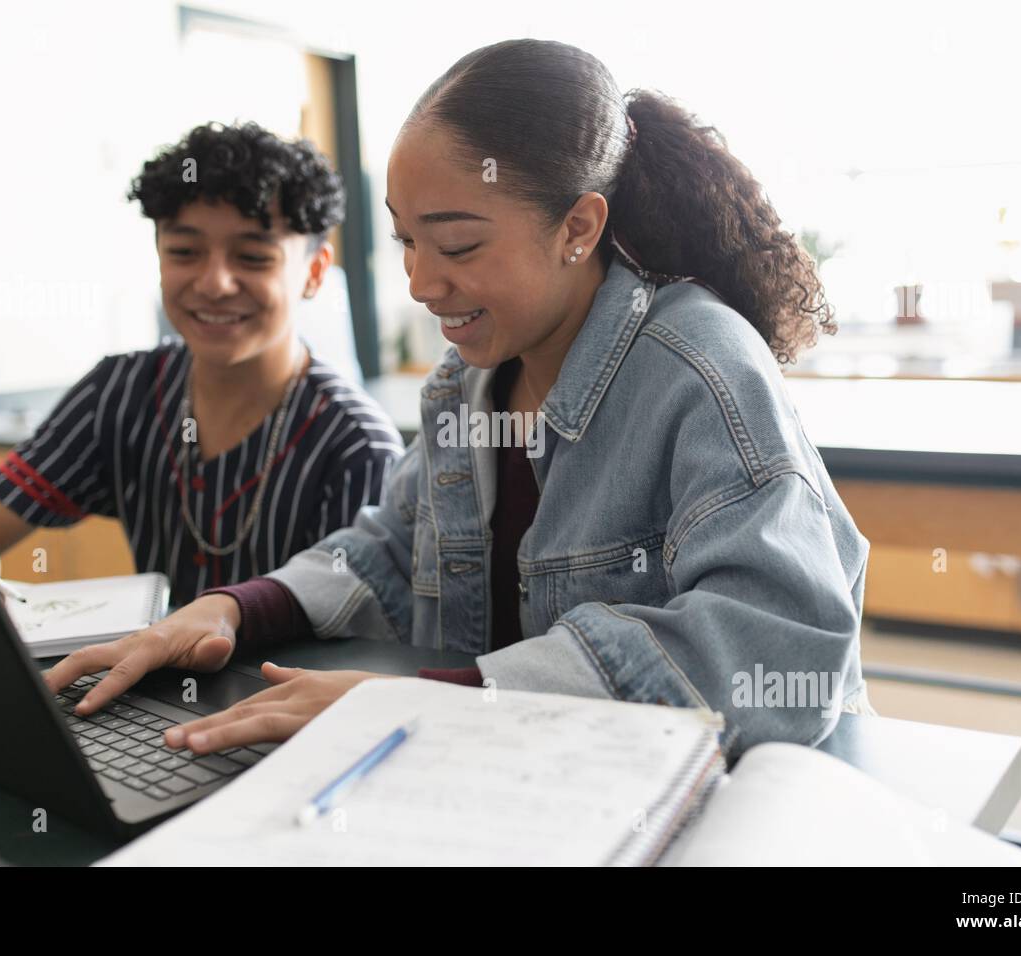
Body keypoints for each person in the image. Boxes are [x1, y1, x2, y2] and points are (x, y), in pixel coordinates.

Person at [46, 39, 876, 756]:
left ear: (578, 228)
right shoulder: (470, 380)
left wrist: (432, 703)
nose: (420, 281)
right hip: (511, 781)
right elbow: (389, 547)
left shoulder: (697, 366)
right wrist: (232, 607)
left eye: (456, 244)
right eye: (407, 241)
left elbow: (776, 656)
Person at [0, 122, 403, 602]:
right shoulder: (121, 391)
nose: (213, 283)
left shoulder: (358, 448)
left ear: (313, 272)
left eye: (252, 257)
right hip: (144, 674)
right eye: (184, 252)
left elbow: (351, 640)